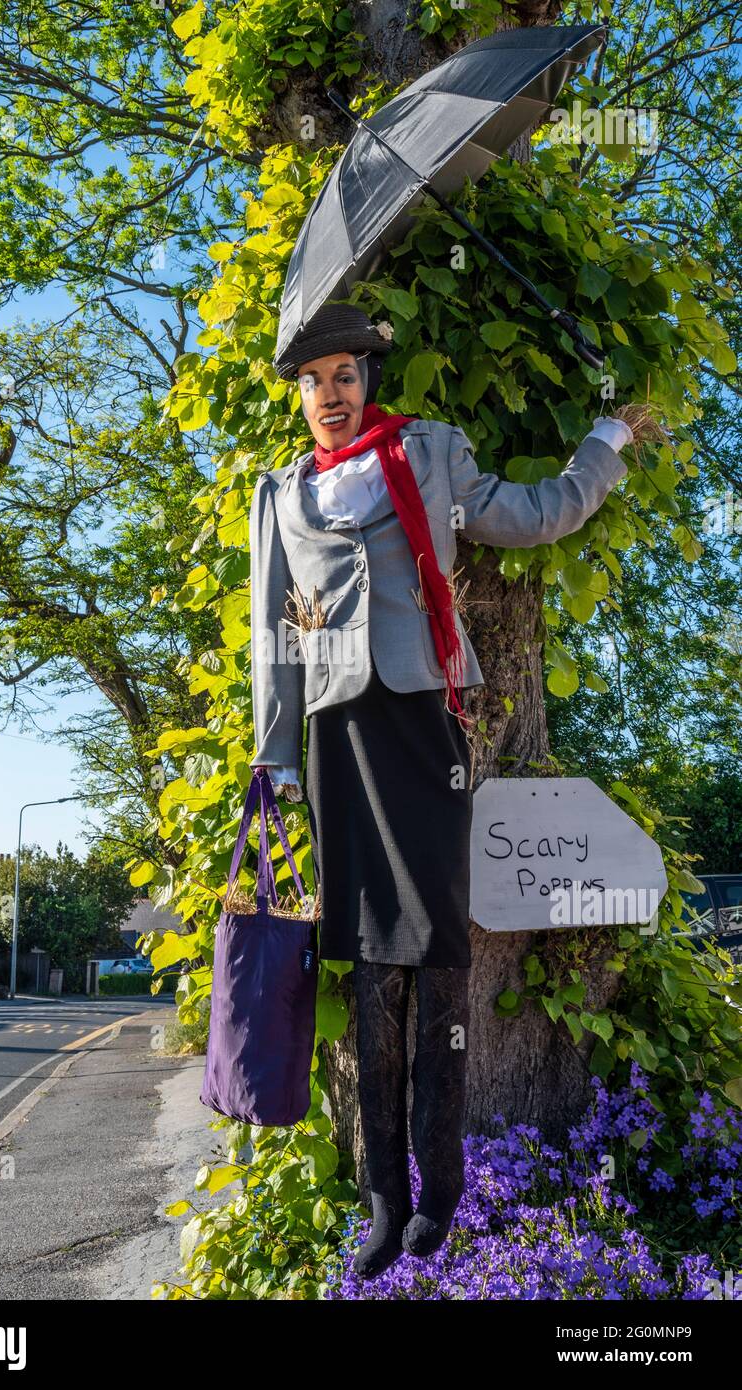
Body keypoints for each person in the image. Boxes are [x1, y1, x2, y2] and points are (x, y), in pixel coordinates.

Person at [248, 302, 632, 1278]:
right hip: (341, 740)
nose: (330, 395)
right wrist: (275, 758)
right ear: (298, 396)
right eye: (313, 381)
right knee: (373, 973)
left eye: (345, 375)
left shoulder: (429, 454)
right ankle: (385, 1197)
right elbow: (274, 644)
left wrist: (608, 436)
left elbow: (534, 514)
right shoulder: (281, 496)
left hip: (427, 730)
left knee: (439, 960)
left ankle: (444, 1178)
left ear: (367, 379)